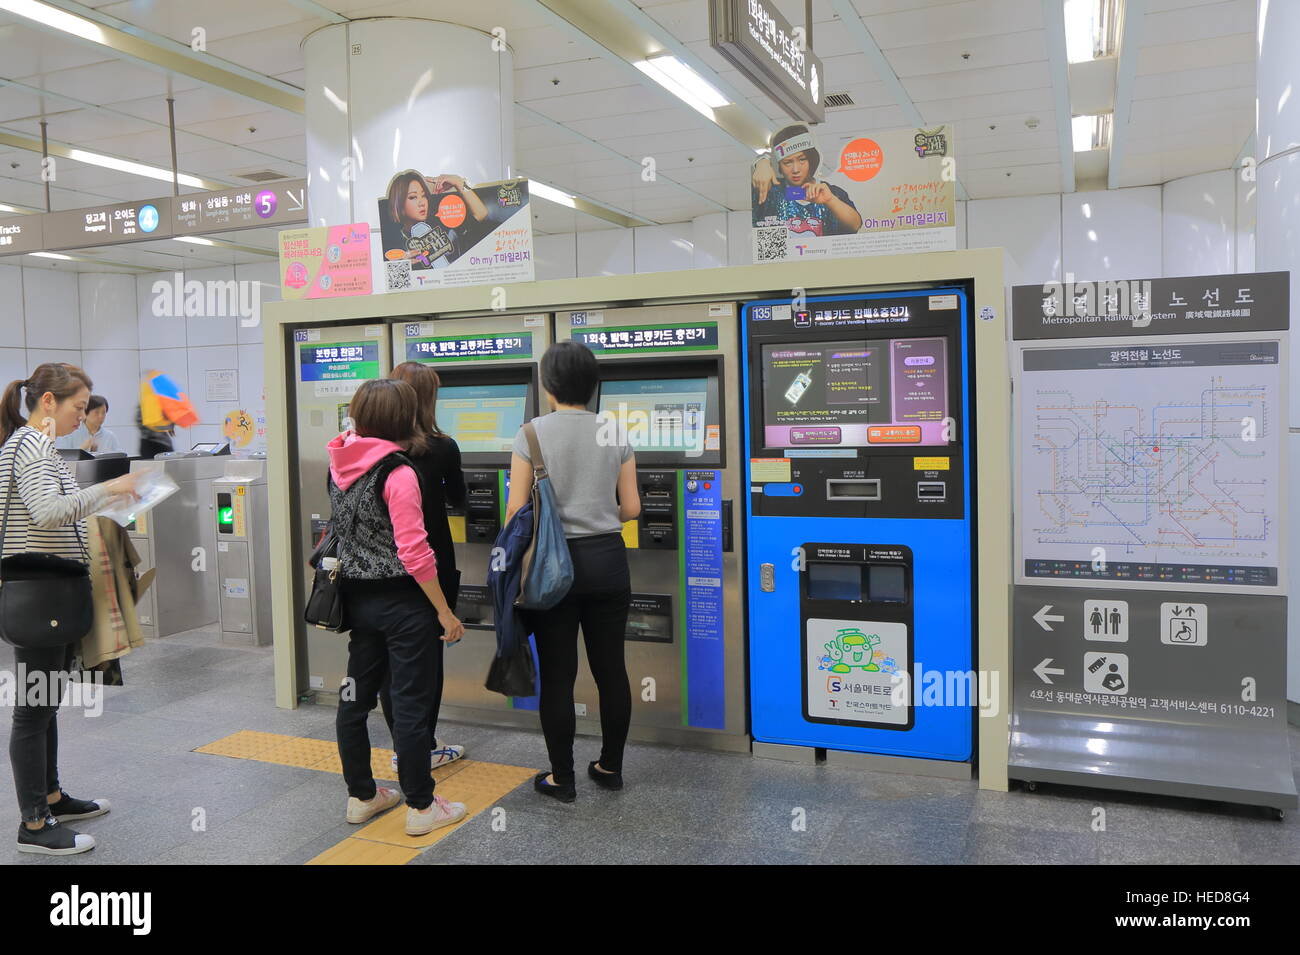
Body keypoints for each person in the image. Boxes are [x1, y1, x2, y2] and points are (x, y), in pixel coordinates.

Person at [1, 363, 139, 855]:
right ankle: (34, 826)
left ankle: (52, 798)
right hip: (40, 590)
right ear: (48, 403)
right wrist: (111, 490)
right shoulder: (34, 445)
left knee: (46, 703)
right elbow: (48, 513)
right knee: (33, 710)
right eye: (78, 408)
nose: (83, 417)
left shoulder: (29, 444)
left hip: (46, 588)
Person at [326, 378, 467, 835]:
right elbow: (415, 552)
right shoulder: (398, 473)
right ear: (403, 419)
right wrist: (443, 611)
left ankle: (362, 795)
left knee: (354, 699)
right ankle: (422, 807)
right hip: (405, 606)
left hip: (358, 603)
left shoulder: (338, 465)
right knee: (410, 704)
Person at [505, 341, 640, 803]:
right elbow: (633, 508)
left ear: (548, 385)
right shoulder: (613, 431)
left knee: (559, 676)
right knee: (611, 670)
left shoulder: (531, 434)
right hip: (607, 561)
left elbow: (515, 514)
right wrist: (599, 515)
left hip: (550, 568)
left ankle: (562, 778)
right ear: (593, 383)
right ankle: (610, 768)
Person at [380, 361, 468, 770]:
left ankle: (403, 744)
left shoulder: (376, 449)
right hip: (432, 561)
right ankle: (424, 747)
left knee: (389, 663)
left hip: (384, 568)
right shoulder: (443, 447)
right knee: (429, 659)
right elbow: (461, 501)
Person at [751, 123, 862, 236]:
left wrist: (830, 200)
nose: (795, 169)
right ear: (779, 165)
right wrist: (761, 162)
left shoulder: (832, 192)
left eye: (802, 159)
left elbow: (855, 225)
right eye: (787, 162)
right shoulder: (770, 192)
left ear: (811, 159)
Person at [384, 170, 490, 271]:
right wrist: (403, 267)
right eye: (413, 197)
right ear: (398, 204)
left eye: (423, 195)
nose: (422, 203)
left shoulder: (443, 225)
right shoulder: (396, 245)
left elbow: (481, 212)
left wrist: (459, 182)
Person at [55, 395, 120, 454]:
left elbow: (118, 458)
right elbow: (61, 457)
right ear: (86, 413)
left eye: (103, 412)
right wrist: (82, 449)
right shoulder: (71, 433)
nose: (101, 416)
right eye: (96, 412)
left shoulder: (110, 437)